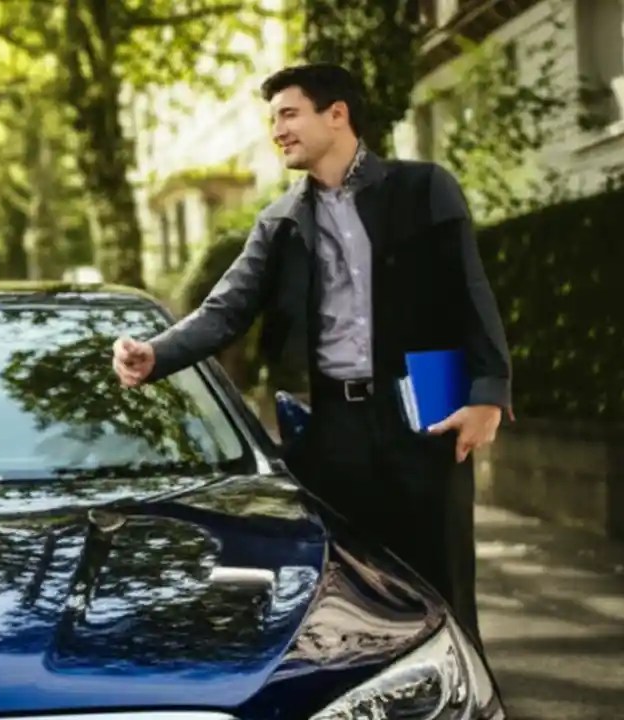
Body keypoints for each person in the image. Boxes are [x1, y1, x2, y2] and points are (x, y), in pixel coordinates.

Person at [112, 63, 511, 644]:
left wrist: (488, 395)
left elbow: (469, 292)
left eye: (288, 113)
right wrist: (155, 354)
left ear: (337, 114)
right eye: (272, 118)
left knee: (442, 584)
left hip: (425, 416)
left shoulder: (423, 188)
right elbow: (226, 309)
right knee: (346, 595)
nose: (277, 130)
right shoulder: (280, 221)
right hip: (331, 429)